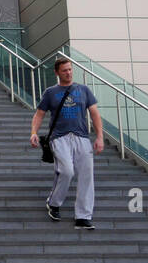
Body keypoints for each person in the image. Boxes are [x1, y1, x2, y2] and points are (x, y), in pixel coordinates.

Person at [29, 58, 104, 230]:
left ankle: (83, 217)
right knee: (66, 171)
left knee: (87, 176)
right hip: (59, 137)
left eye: (70, 69)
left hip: (82, 137)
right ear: (57, 73)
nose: (68, 73)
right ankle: (54, 202)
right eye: (64, 70)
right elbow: (39, 114)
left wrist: (99, 137)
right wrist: (33, 132)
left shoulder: (83, 90)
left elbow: (94, 114)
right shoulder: (50, 92)